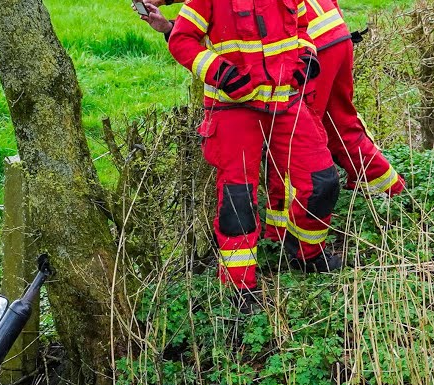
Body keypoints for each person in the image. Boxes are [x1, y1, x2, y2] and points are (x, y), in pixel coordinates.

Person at [140, 0, 405, 255]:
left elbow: (259, 25)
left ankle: (284, 238)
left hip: (299, 64)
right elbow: (213, 27)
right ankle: (398, 197)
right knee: (342, 128)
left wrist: (303, 58)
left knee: (297, 159)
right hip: (332, 37)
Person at [152, 0, 339, 308]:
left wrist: (306, 57)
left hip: (285, 102)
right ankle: (240, 288)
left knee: (323, 182)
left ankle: (306, 252)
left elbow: (303, 27)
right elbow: (181, 39)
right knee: (238, 200)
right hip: (232, 107)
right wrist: (222, 74)